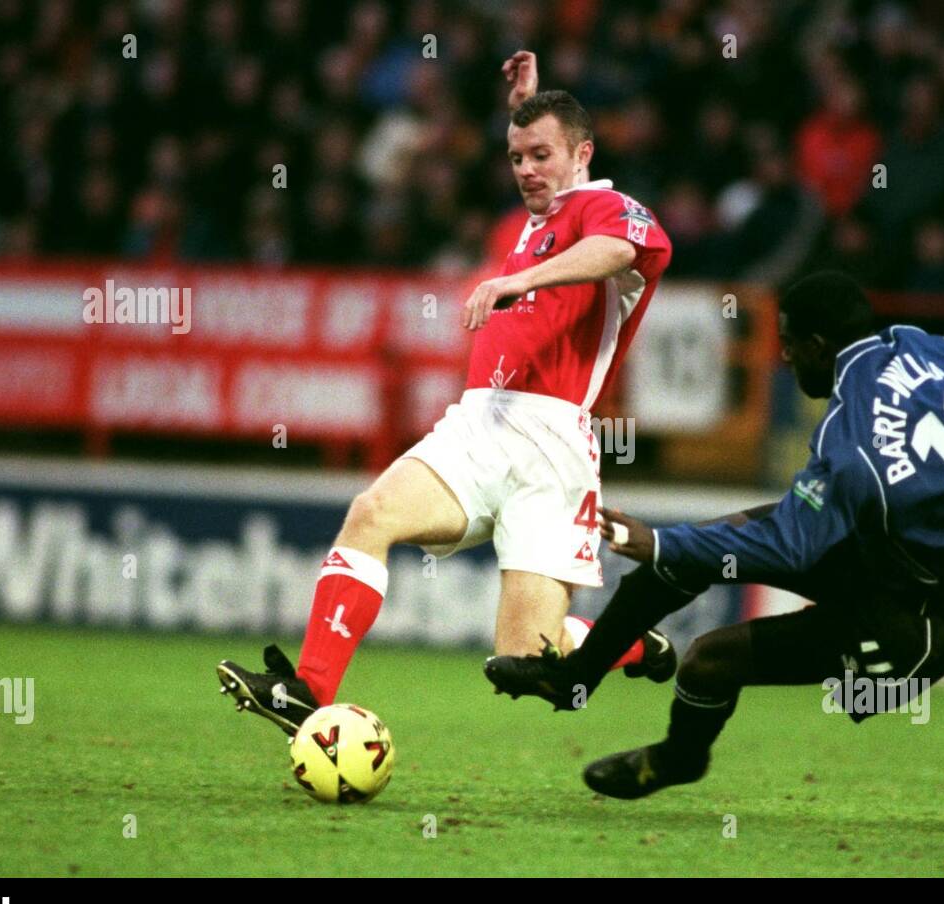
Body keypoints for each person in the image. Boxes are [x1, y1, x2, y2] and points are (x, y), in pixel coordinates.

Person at [218, 51, 675, 736]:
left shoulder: (605, 208)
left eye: (541, 155)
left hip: (550, 447)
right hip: (478, 422)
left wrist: (519, 281)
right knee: (372, 513)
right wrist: (528, 104)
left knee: (528, 664)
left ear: (584, 152)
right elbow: (543, 168)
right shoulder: (537, 218)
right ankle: (307, 691)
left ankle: (634, 641)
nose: (525, 169)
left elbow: (618, 251)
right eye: (516, 155)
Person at [484, 271, 944, 799]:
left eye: (789, 345)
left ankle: (678, 760)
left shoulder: (849, 445)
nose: (783, 357)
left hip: (920, 624)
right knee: (705, 545)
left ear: (817, 346)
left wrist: (660, 542)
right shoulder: (932, 349)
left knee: (709, 658)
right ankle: (576, 676)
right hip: (879, 557)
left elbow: (790, 547)